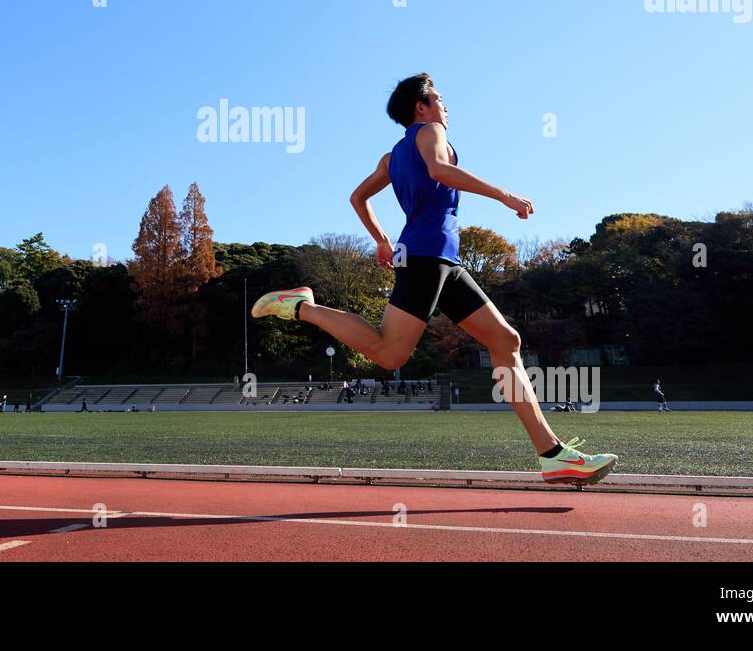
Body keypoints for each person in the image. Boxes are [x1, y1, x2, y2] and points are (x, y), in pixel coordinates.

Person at [251, 73, 619, 485]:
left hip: (442, 258)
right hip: (426, 256)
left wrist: (382, 241)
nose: (446, 107)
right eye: (440, 99)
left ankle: (552, 455)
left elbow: (358, 197)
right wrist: (504, 196)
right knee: (390, 354)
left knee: (505, 340)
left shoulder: (391, 158)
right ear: (420, 107)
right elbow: (440, 170)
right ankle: (302, 306)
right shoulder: (431, 130)